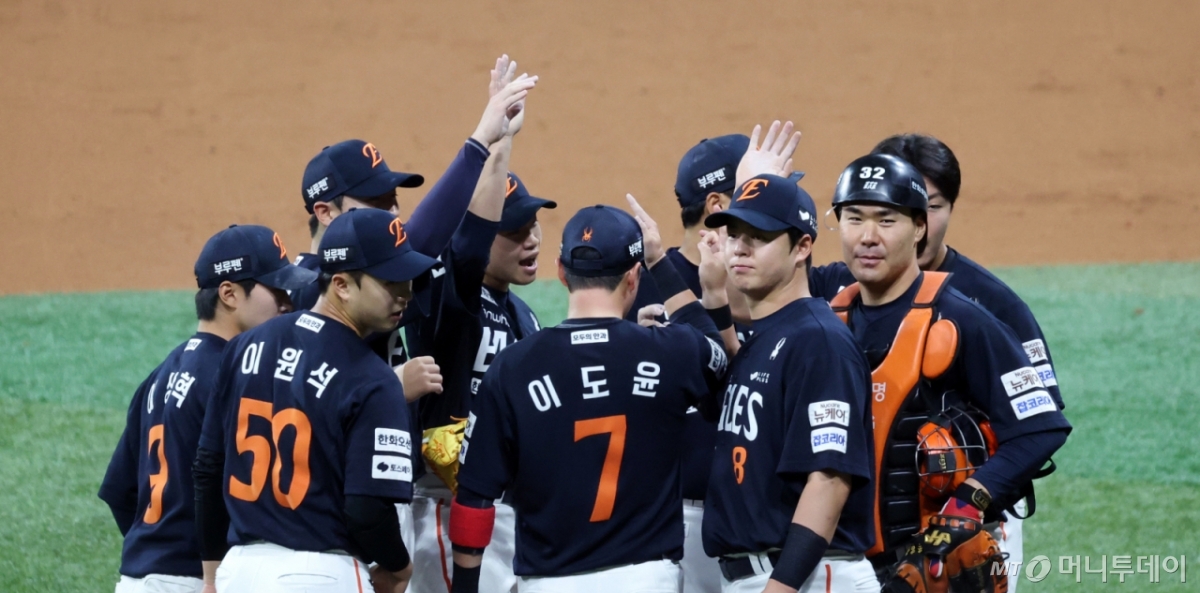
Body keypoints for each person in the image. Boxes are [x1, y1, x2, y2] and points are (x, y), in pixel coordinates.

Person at [808, 135, 1064, 586]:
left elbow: (1041, 424)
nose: (869, 236)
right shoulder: (833, 306)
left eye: (887, 219)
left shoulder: (975, 310)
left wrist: (967, 506)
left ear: (918, 224)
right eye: (854, 218)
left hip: (951, 545)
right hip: (850, 559)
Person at [447, 201, 730, 593]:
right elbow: (719, 354)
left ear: (562, 273)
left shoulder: (513, 368)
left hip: (547, 583)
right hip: (646, 580)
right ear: (633, 277)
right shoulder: (674, 350)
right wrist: (660, 263)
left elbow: (472, 499)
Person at [192, 209, 438, 593]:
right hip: (319, 573)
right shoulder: (372, 378)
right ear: (341, 284)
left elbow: (208, 468)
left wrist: (211, 575)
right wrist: (399, 567)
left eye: (407, 279)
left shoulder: (244, 347)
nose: (405, 293)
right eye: (390, 282)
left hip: (238, 571)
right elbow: (367, 511)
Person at [700, 122, 879, 593]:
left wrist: (781, 587)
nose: (739, 247)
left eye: (757, 236)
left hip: (806, 577)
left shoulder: (818, 341)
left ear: (802, 248)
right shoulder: (770, 332)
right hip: (767, 575)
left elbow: (829, 477)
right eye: (733, 233)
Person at [98, 224, 314, 593]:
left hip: (138, 578)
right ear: (229, 293)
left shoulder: (161, 374)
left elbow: (120, 490)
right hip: (197, 581)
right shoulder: (237, 377)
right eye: (275, 289)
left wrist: (158, 547)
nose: (287, 302)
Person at [403, 66, 549, 593]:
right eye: (513, 231)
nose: (530, 240)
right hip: (445, 508)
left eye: (533, 224)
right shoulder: (452, 296)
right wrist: (500, 140)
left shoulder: (525, 317)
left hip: (501, 508)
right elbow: (464, 249)